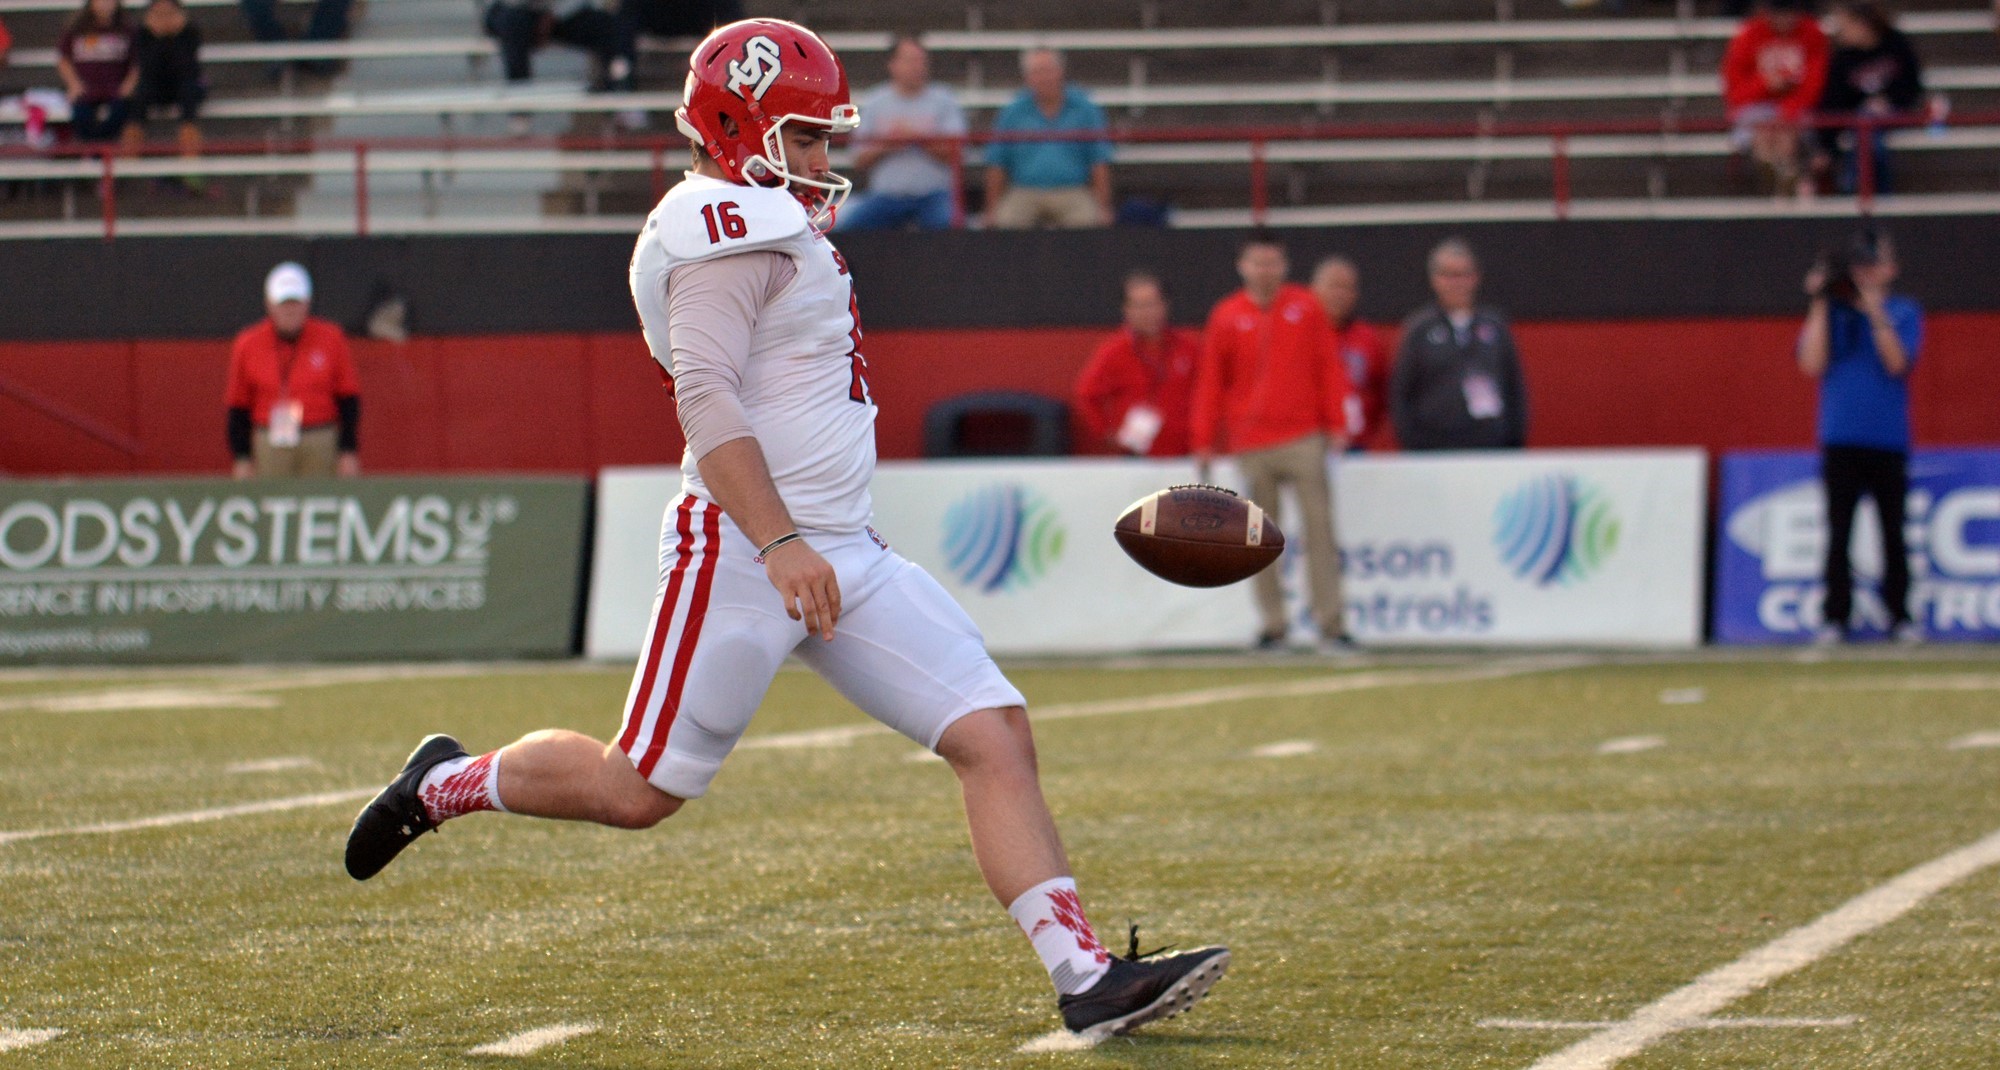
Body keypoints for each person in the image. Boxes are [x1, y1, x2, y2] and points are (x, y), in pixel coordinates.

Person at [342, 18, 1228, 1043]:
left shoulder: (768, 217)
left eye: (821, 138)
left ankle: (1083, 974)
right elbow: (707, 397)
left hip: (838, 544)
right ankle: (444, 781)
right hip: (740, 548)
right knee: (639, 787)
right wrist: (776, 542)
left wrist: (810, 540)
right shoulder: (715, 223)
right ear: (734, 128)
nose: (819, 159)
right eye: (800, 136)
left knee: (992, 729)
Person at [1192, 233, 1356, 652]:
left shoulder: (1306, 307)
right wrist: (1204, 437)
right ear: (1242, 266)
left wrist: (1337, 420)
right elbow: (1212, 380)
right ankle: (1274, 623)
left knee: (1321, 531)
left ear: (1284, 266)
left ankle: (1331, 623)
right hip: (1252, 442)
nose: (1265, 271)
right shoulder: (1227, 315)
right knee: (1260, 540)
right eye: (1257, 263)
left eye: (1273, 263)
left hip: (1304, 436)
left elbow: (1328, 366)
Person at [1798, 225, 1922, 644]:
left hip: (1888, 440)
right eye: (1860, 265)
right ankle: (1835, 616)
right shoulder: (1832, 314)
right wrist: (1820, 303)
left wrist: (1874, 311)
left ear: (1891, 269)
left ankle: (1900, 615)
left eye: (1874, 264)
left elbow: (1896, 363)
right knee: (1839, 532)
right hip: (1841, 437)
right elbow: (1811, 364)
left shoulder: (1904, 312)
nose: (1866, 272)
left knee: (1893, 531)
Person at [225, 262, 361, 479]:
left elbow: (348, 399)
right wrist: (242, 457)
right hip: (270, 438)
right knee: (271, 501)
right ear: (269, 305)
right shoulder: (248, 343)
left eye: (295, 303)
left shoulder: (331, 338)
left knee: (321, 498)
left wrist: (348, 450)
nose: (290, 310)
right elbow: (237, 406)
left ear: (307, 303)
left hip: (319, 435)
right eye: (283, 303)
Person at [1391, 239, 1529, 452]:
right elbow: (1402, 395)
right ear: (1435, 279)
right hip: (1435, 451)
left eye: (1463, 275)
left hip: (1491, 448)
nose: (1457, 283)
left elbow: (1515, 388)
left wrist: (1513, 441)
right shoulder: (1419, 330)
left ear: (1475, 278)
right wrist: (1414, 446)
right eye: (1449, 275)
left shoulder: (1495, 327)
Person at [839, 34, 966, 232]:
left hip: (933, 195)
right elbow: (858, 158)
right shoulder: (875, 103)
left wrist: (918, 139)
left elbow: (957, 153)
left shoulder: (944, 100)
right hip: (885, 197)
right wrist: (889, 144)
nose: (917, 67)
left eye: (921, 61)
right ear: (893, 65)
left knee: (951, 226)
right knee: (848, 228)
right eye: (910, 61)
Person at [1074, 271, 1199, 457]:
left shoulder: (1189, 348)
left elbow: (1209, 395)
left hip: (1185, 454)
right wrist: (1108, 433)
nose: (1147, 313)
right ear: (1126, 310)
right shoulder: (1114, 351)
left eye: (1152, 304)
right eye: (1138, 306)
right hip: (1134, 455)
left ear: (1165, 305)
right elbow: (1085, 395)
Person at [984, 49, 1113, 229]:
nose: (1044, 78)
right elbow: (996, 164)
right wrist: (991, 210)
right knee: (1005, 221)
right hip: (1024, 191)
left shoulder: (1085, 109)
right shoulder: (1012, 112)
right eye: (1037, 72)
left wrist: (1104, 208)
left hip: (1072, 191)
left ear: (1061, 72)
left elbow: (1099, 162)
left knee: (1088, 221)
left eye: (1048, 70)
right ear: (1027, 78)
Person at [1813, 0, 1924, 196]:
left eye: (1844, 25)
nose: (1840, 32)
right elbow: (1832, 103)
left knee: (1868, 128)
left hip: (1895, 113)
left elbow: (1912, 86)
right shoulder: (1842, 58)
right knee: (1869, 135)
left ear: (1862, 24)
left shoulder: (1895, 44)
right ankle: (1874, 194)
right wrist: (1826, 148)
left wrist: (1889, 101)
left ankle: (1854, 188)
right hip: (1860, 123)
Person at [1721, 0, 1830, 199]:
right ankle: (1775, 183)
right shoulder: (1748, 34)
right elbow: (1735, 92)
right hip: (1757, 107)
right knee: (1763, 130)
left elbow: (1815, 85)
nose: (1784, 20)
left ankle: (1784, 184)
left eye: (1789, 13)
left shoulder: (1812, 33)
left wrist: (1788, 111)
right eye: (1778, 13)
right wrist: (1766, 84)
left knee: (1785, 132)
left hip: (1797, 108)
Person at [1310, 255, 1394, 452]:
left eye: (1346, 288)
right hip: (1309, 446)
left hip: (1357, 445)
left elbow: (1382, 391)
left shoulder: (1367, 338)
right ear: (1314, 289)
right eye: (1333, 286)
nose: (1339, 294)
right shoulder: (1299, 336)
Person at [124, 0, 205, 181]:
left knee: (189, 90)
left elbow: (188, 69)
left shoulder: (190, 33)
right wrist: (159, 37)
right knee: (140, 93)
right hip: (156, 86)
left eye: (169, 13)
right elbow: (149, 69)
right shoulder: (143, 35)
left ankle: (190, 155)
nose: (165, 18)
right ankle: (129, 156)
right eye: (159, 14)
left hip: (182, 85)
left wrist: (176, 36)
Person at [57, 0, 137, 144]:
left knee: (119, 114)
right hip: (85, 90)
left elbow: (137, 63)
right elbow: (64, 60)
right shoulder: (77, 29)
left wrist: (128, 85)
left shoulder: (127, 30)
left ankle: (105, 152)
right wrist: (74, 84)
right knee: (82, 116)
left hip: (115, 90)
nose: (104, 4)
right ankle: (91, 155)